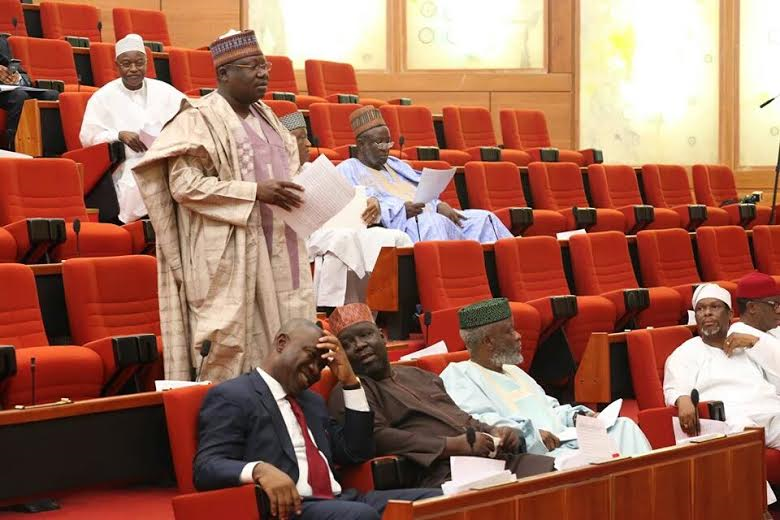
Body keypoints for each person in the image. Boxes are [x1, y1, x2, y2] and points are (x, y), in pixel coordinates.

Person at [132, 29, 314, 383]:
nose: (263, 73)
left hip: (280, 249)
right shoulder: (197, 119)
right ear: (223, 75)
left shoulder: (272, 120)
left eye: (265, 66)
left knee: (288, 344)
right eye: (252, 67)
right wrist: (253, 192)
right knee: (230, 354)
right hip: (230, 254)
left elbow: (289, 175)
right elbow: (184, 185)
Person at [194, 319, 439, 520]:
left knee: (437, 502)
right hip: (289, 508)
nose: (314, 369)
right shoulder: (234, 395)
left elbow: (356, 452)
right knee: (358, 516)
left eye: (321, 365)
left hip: (340, 500)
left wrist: (350, 383)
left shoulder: (312, 402)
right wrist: (260, 469)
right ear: (281, 343)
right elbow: (206, 466)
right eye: (310, 356)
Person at [327, 303, 555, 488]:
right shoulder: (350, 392)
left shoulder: (418, 375)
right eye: (347, 344)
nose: (359, 345)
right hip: (441, 472)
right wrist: (451, 445)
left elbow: (459, 417)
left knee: (560, 476)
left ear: (381, 336)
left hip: (489, 459)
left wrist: (494, 431)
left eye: (365, 335)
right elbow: (376, 437)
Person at [440, 298, 651, 464]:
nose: (518, 336)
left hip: (565, 441)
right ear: (488, 341)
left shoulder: (514, 371)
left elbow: (550, 409)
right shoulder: (458, 376)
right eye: (509, 331)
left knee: (624, 427)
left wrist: (577, 416)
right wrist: (532, 436)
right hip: (532, 455)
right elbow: (483, 424)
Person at [279, 105, 413, 307]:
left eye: (307, 137)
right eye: (299, 138)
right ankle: (337, 311)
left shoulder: (314, 170)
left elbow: (347, 200)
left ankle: (387, 309)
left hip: (336, 229)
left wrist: (372, 204)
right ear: (283, 143)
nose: (307, 143)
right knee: (343, 239)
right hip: (299, 238)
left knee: (393, 237)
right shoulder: (275, 176)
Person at [337, 107, 513, 243]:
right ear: (361, 144)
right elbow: (358, 207)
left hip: (430, 216)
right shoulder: (348, 169)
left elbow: (422, 191)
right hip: (401, 226)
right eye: (379, 143)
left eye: (388, 142)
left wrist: (439, 205)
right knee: (432, 222)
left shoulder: (397, 165)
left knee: (484, 218)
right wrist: (400, 210)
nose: (386, 148)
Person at [80, 33, 185, 224]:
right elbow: (88, 136)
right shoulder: (103, 97)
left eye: (139, 63)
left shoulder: (163, 90)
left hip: (166, 158)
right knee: (142, 180)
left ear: (146, 62)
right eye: (126, 64)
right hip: (128, 163)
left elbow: (188, 111)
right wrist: (118, 135)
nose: (134, 69)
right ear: (117, 65)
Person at [664, 282, 780, 446]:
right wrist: (682, 399)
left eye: (715, 307)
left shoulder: (745, 344)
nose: (707, 313)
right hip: (730, 419)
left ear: (730, 314)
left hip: (769, 410)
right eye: (700, 309)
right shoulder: (686, 352)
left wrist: (755, 343)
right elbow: (675, 387)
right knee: (744, 432)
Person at [0, 39, 59, 151]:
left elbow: (20, 71)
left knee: (52, 95)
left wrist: (17, 77)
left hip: (11, 88)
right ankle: (12, 147)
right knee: (20, 96)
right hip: (10, 93)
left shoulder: (2, 41)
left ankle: (49, 150)